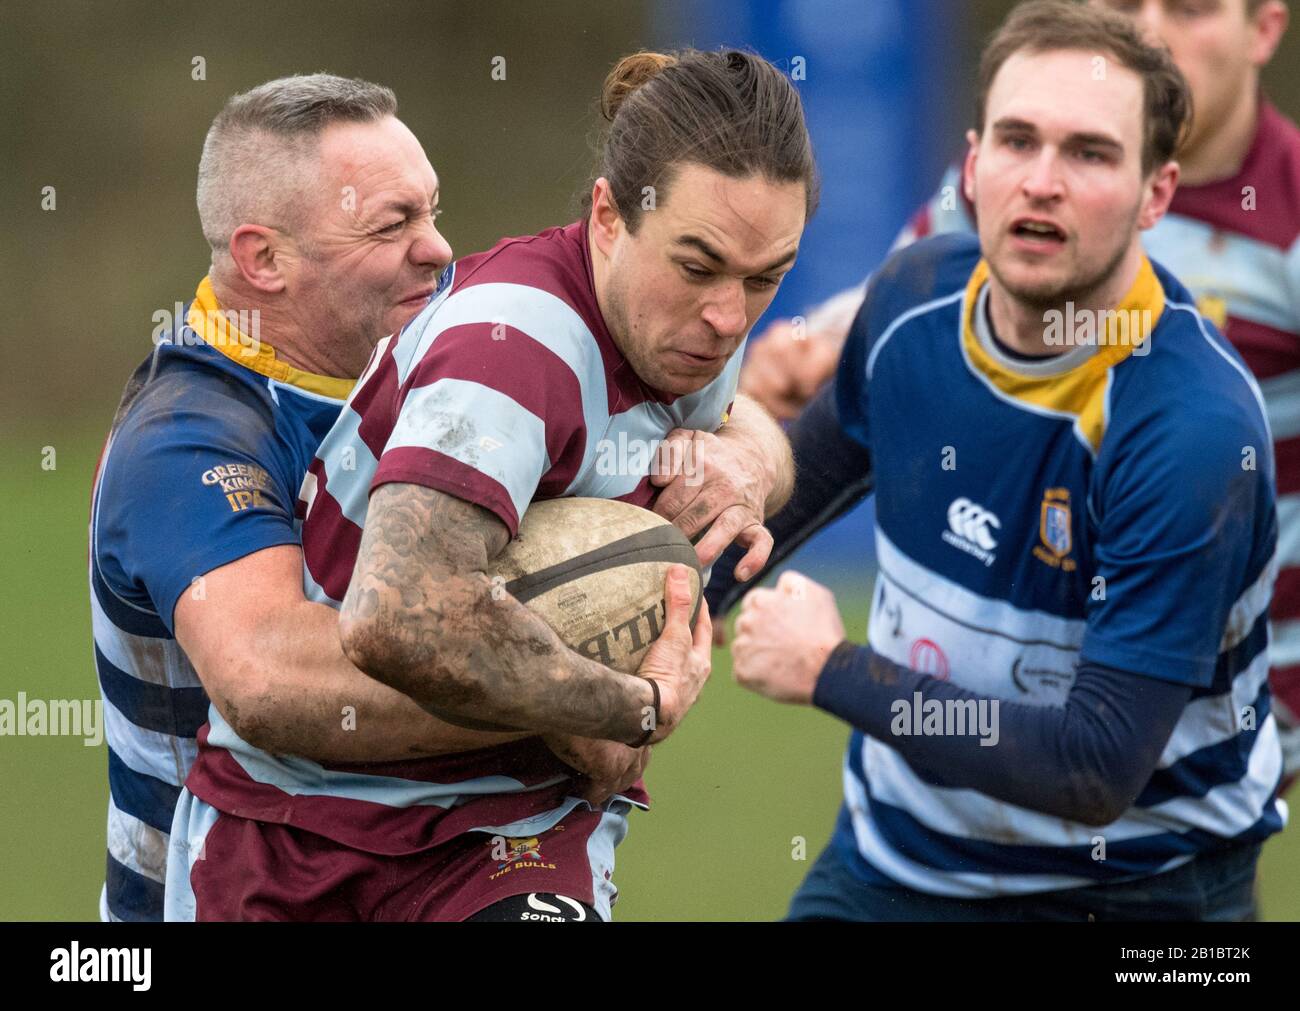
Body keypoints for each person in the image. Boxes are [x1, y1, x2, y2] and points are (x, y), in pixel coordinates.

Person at [165, 48, 812, 922]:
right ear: (609, 217)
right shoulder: (515, 348)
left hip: (515, 834)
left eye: (766, 276)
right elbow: (399, 616)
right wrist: (623, 705)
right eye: (698, 266)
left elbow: (743, 420)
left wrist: (744, 460)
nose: (731, 316)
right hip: (307, 833)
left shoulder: (679, 323)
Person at [720, 0, 1285, 921]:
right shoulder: (909, 304)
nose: (1043, 181)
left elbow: (1091, 764)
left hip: (1144, 899)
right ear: (973, 166)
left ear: (1158, 192)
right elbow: (781, 502)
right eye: (1018, 142)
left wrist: (833, 670)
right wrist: (648, 621)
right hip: (891, 873)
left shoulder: (1191, 429)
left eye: (1090, 154)